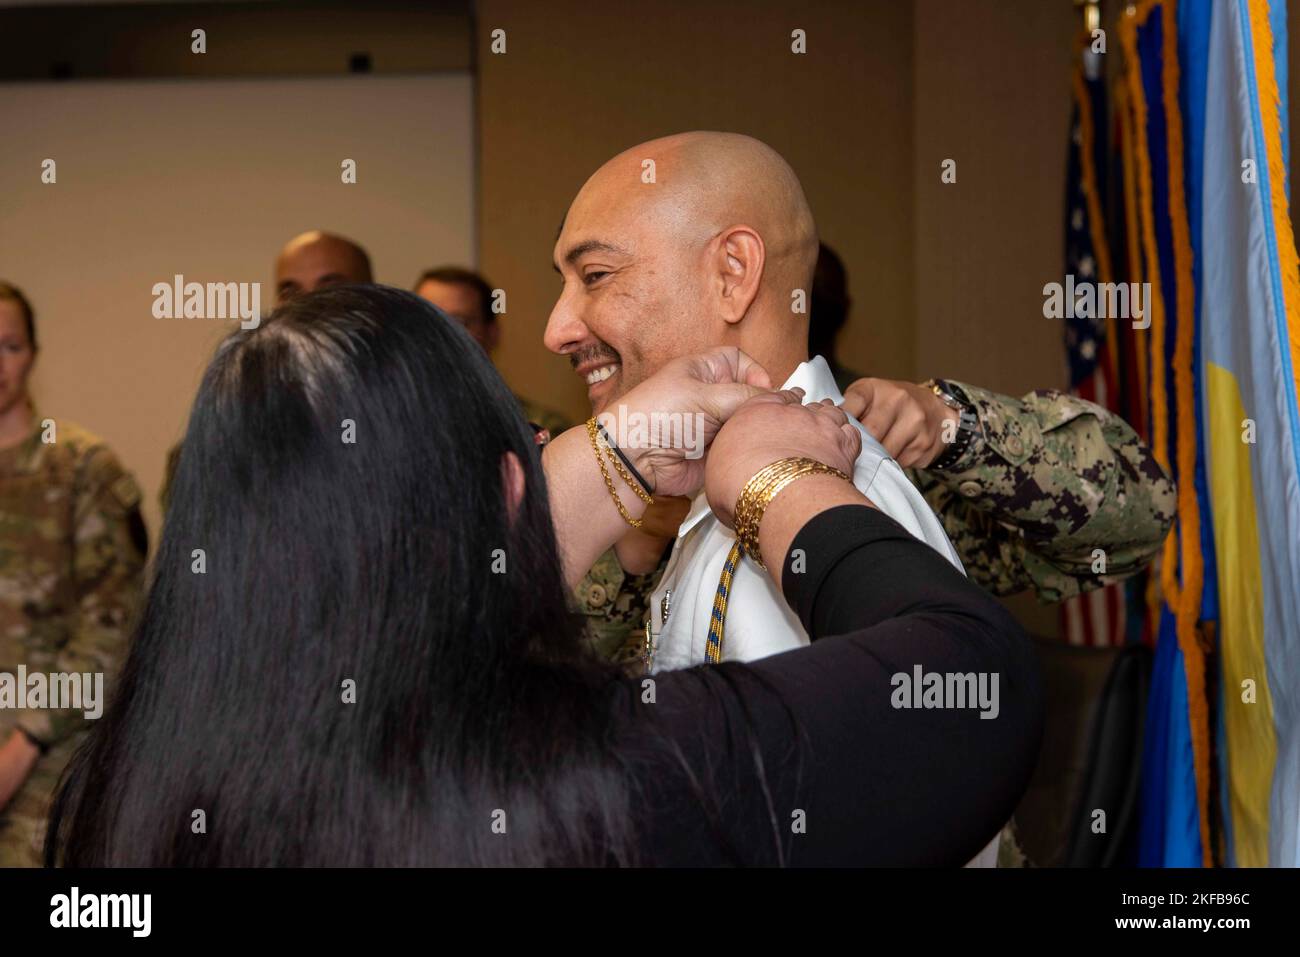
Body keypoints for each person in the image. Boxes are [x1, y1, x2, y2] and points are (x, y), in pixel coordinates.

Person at [45, 285, 1042, 866]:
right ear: (509, 488)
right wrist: (777, 478)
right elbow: (969, 682)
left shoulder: (115, 790)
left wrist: (589, 465)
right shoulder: (606, 773)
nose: (566, 323)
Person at [557, 132, 1175, 671]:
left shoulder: (874, 460)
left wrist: (956, 429)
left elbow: (1140, 515)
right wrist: (631, 549)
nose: (557, 329)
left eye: (596, 276)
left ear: (733, 274)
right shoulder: (612, 477)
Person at [0, 281, 147, 867]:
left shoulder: (81, 465)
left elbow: (111, 633)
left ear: (33, 354)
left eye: (8, 345)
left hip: (49, 752)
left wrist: (22, 744)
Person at [161, 229, 375, 510]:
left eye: (329, 286)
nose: (308, 304)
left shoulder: (409, 404)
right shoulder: (233, 419)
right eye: (290, 291)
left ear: (371, 295)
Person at [415, 266, 570, 437]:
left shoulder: (539, 429)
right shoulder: (391, 415)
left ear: (491, 333)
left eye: (458, 322)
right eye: (427, 319)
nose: (440, 333)